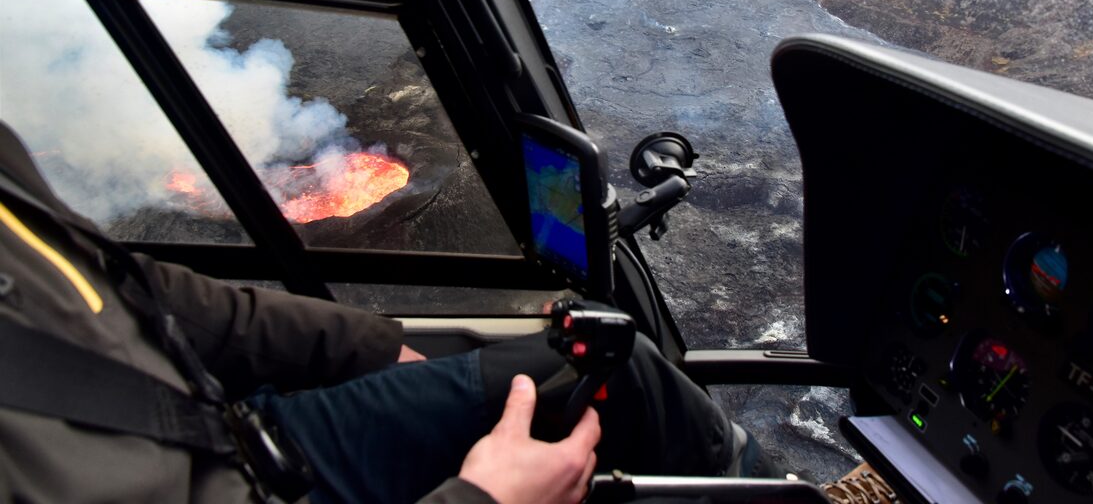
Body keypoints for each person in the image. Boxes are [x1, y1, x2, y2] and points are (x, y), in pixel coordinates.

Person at [0, 121, 776, 503]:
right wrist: (484, 501)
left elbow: (140, 289)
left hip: (220, 430)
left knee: (607, 370)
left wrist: (369, 349)